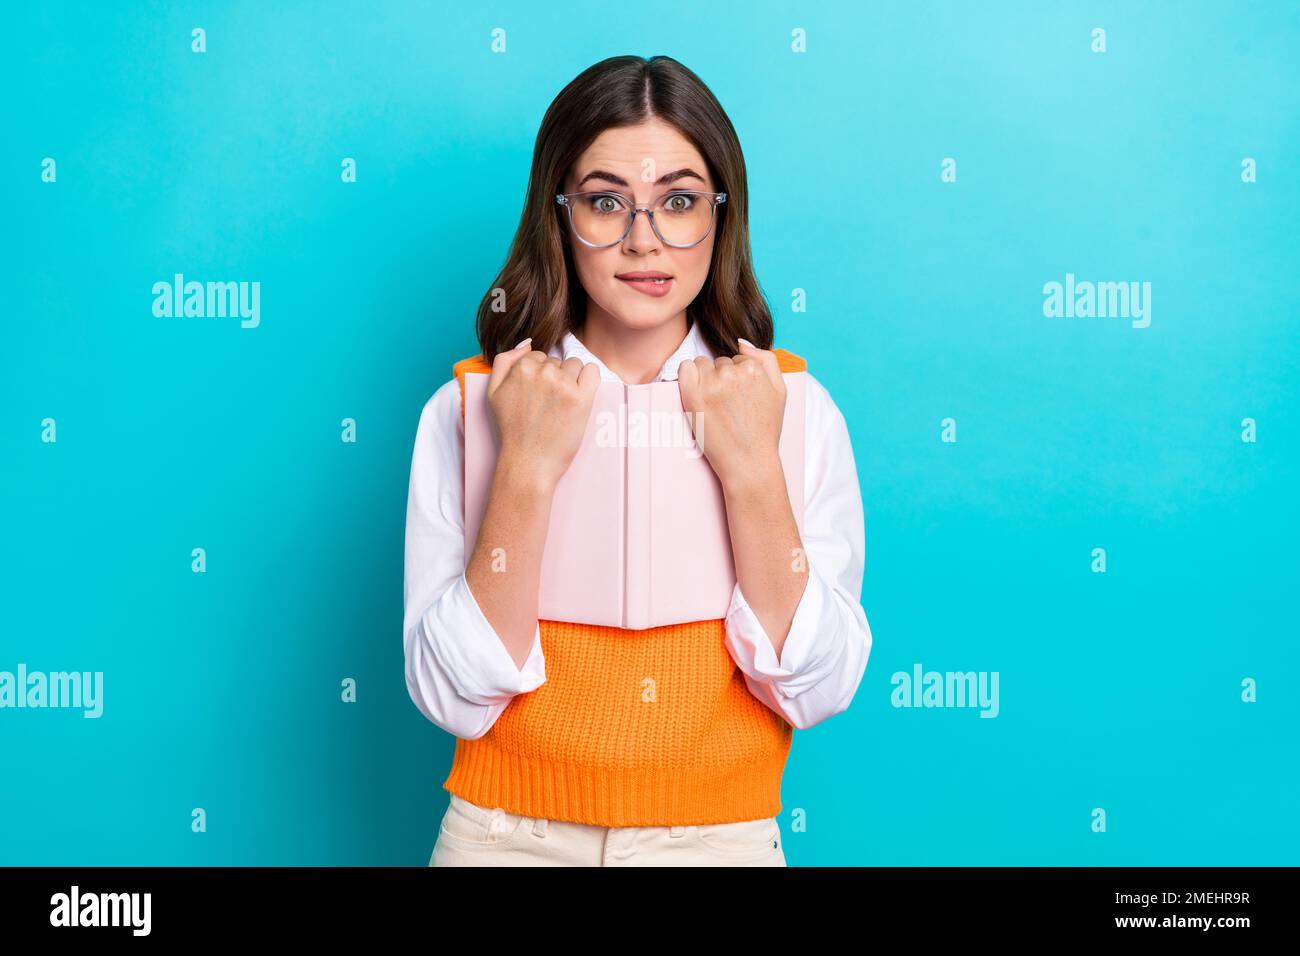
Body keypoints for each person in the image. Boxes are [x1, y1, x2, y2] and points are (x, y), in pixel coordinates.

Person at [403, 54, 872, 866]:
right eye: (606, 202)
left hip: (718, 841)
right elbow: (452, 696)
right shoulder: (468, 409)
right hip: (503, 838)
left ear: (722, 216)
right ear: (559, 213)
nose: (643, 240)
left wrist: (753, 469)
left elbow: (815, 687)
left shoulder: (796, 409)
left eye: (679, 202)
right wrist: (524, 467)